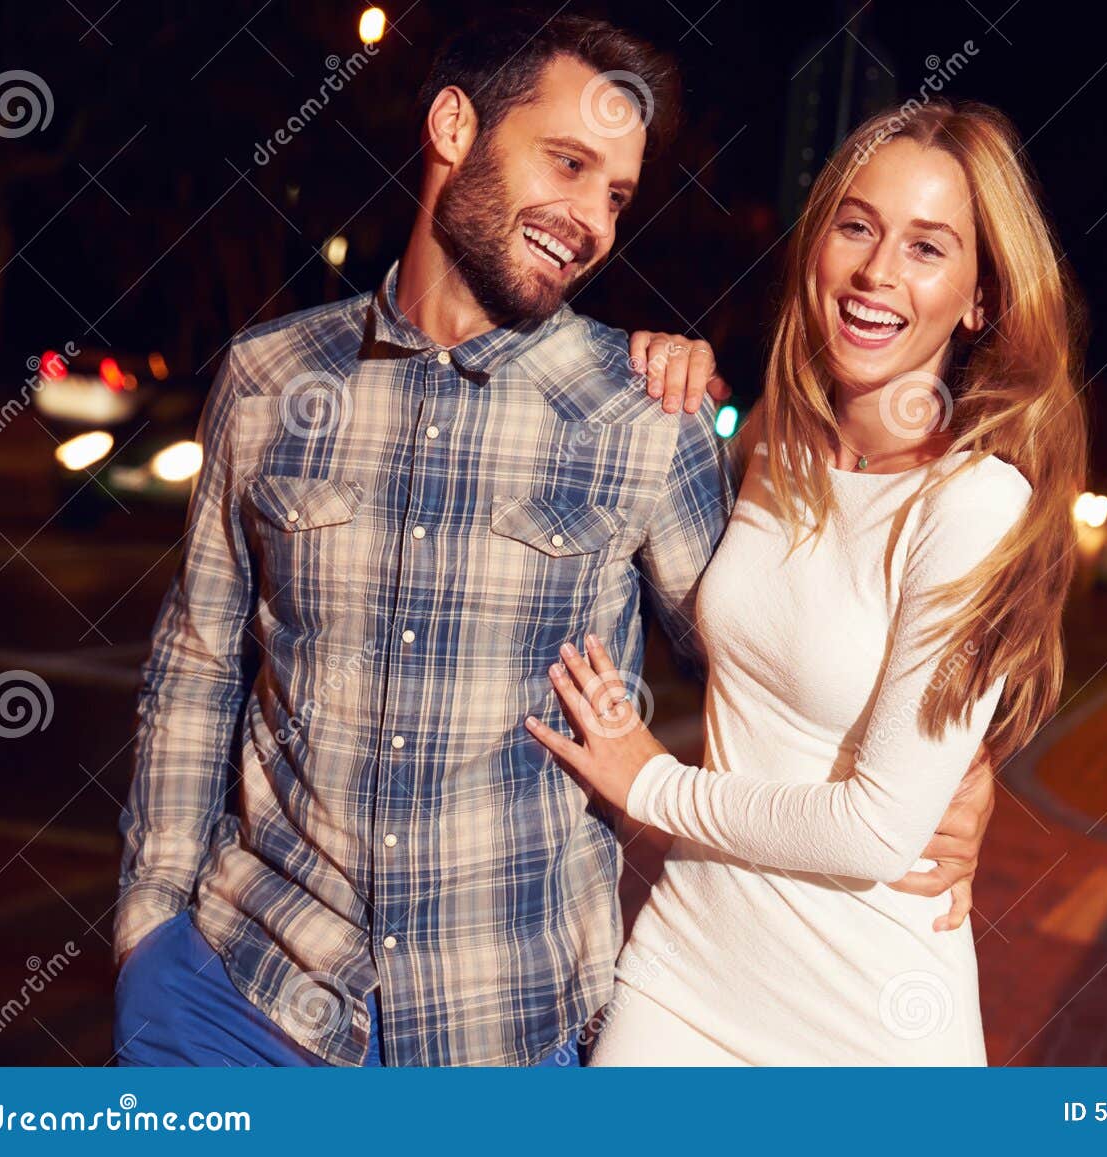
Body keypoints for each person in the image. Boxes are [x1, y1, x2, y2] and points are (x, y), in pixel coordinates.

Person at [110, 13, 996, 1068]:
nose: (589, 220)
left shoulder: (642, 419)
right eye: (567, 165)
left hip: (504, 1030)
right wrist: (149, 927)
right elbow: (200, 665)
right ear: (451, 127)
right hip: (239, 998)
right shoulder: (269, 379)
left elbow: (787, 653)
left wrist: (961, 765)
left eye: (615, 194)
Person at [526, 101, 1087, 1064]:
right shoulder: (768, 452)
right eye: (858, 226)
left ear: (981, 299)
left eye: (927, 248)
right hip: (679, 977)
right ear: (817, 243)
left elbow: (876, 830)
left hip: (861, 1026)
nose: (877, 271)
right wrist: (669, 359)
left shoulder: (976, 504)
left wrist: (648, 782)